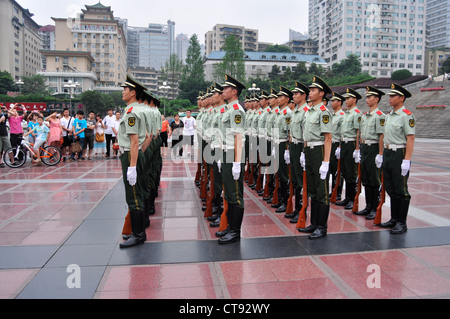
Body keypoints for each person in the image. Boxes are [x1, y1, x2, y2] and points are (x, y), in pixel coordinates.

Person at [298, 76, 332, 240]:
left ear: (321, 93)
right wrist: (304, 152)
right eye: (310, 90)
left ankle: (322, 226)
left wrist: (325, 162)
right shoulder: (309, 111)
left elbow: (328, 138)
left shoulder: (324, 112)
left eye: (312, 90)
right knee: (312, 189)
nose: (310, 92)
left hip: (319, 151)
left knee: (321, 190)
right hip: (309, 151)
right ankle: (314, 223)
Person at [378, 83, 415, 234]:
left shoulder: (406, 115)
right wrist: (381, 155)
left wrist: (406, 160)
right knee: (391, 187)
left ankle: (401, 222)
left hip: (399, 153)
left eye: (393, 96)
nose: (390, 98)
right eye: (390, 96)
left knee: (401, 189)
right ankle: (394, 218)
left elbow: (410, 138)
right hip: (388, 154)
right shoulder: (388, 116)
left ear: (402, 98)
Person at [117, 74, 148, 248]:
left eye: (125, 90)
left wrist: (133, 167)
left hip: (130, 155)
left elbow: (135, 141)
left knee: (134, 196)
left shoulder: (131, 113)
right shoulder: (133, 110)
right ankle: (139, 232)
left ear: (133, 93)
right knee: (138, 194)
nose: (123, 92)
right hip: (133, 154)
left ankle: (138, 234)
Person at [216, 74, 246, 245]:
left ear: (234, 91)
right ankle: (230, 227)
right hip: (226, 153)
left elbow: (238, 138)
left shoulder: (236, 110)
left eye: (225, 88)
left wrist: (236, 162)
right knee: (228, 192)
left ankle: (235, 231)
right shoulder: (228, 109)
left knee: (235, 194)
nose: (223, 90)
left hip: (234, 154)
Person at [354, 86, 386, 220]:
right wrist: (358, 149)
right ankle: (368, 206)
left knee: (374, 179)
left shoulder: (380, 116)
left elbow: (381, 136)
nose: (367, 99)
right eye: (366, 97)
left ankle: (374, 207)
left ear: (377, 99)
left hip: (373, 148)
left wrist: (380, 154)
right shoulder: (365, 116)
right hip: (365, 148)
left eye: (370, 97)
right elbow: (360, 133)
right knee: (365, 179)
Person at [286, 82, 310, 222]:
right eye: (293, 94)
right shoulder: (295, 111)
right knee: (294, 179)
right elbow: (291, 132)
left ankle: (302, 210)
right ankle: (296, 209)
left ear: (303, 96)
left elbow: (305, 134)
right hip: (294, 146)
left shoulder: (306, 112)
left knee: (301, 181)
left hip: (301, 147)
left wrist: (302, 152)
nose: (293, 96)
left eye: (296, 94)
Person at [335, 87, 362, 210]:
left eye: (348, 98)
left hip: (351, 144)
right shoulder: (346, 114)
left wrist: (357, 148)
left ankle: (352, 199)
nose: (346, 100)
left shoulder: (357, 114)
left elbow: (358, 132)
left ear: (354, 100)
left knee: (351, 173)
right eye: (345, 98)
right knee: (345, 171)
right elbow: (341, 132)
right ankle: (347, 197)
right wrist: (340, 146)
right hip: (344, 144)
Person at [272, 86, 293, 213]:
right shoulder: (279, 113)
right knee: (279, 173)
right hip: (277, 144)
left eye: (280, 97)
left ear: (286, 99)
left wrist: (287, 150)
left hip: (283, 144)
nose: (278, 99)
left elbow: (289, 133)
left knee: (284, 175)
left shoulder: (287, 114)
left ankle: (286, 202)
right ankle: (281, 199)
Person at [329, 92, 345, 202]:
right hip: (331, 144)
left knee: (337, 170)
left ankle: (337, 192)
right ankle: (333, 190)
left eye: (333, 101)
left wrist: (339, 146)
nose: (331, 102)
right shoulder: (331, 115)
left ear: (339, 102)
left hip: (337, 145)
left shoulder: (342, 116)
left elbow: (342, 132)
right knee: (331, 169)